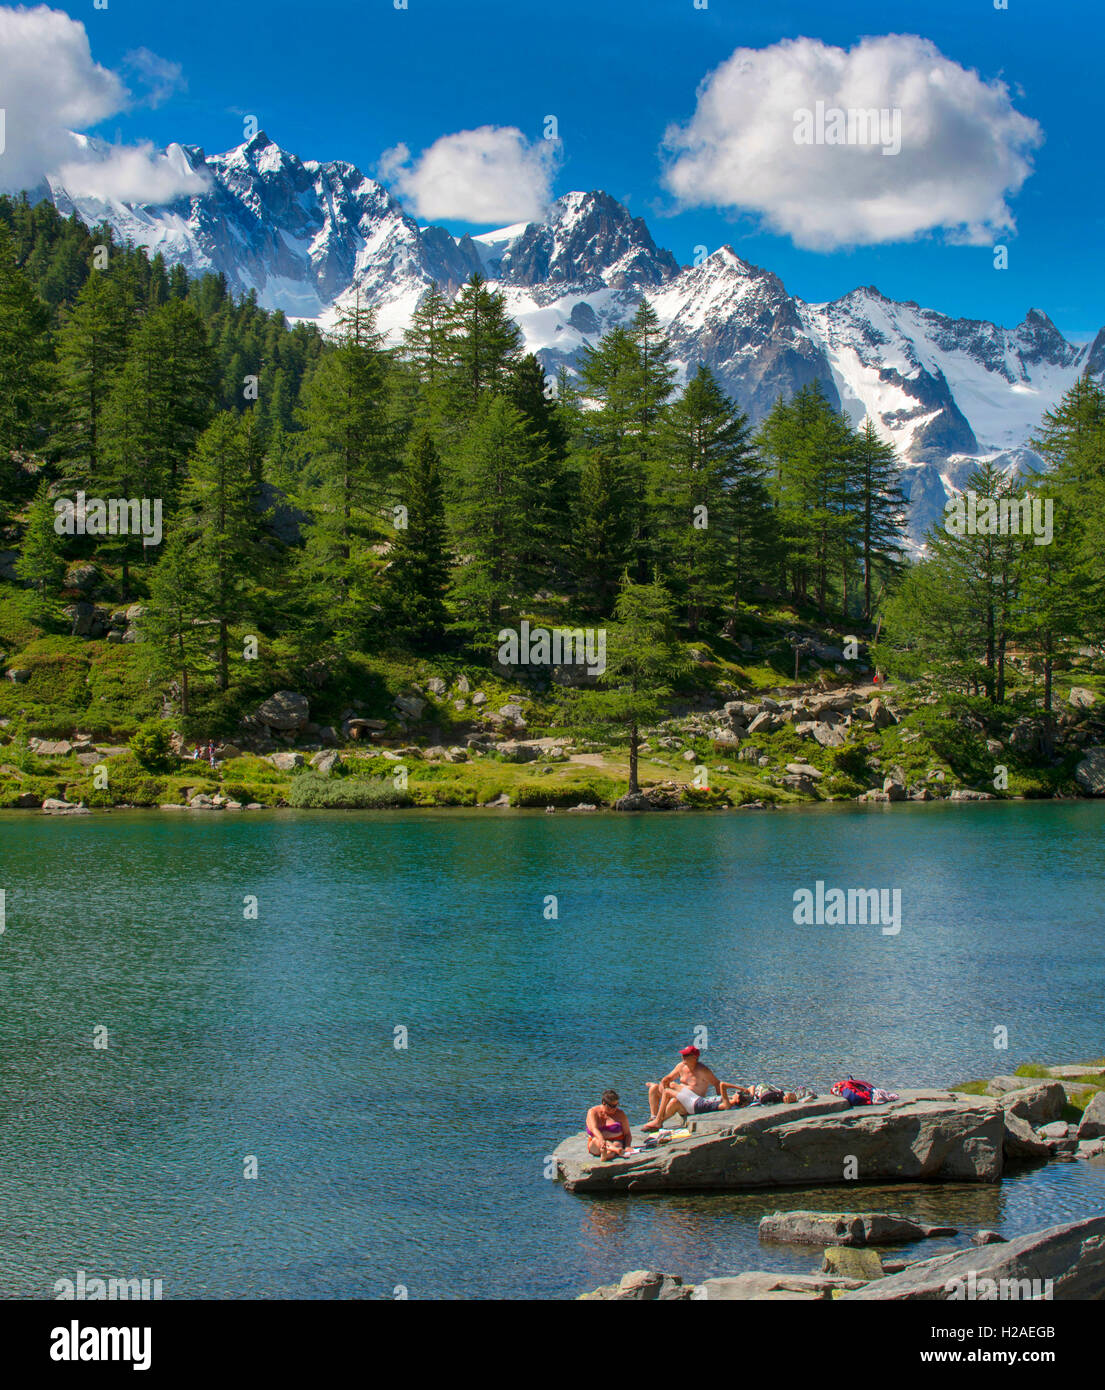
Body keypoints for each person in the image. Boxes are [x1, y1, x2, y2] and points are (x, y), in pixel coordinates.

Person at [643, 1045, 724, 1130]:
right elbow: (668, 1078)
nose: (682, 1057)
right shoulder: (681, 1066)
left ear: (694, 1057)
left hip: (691, 1103)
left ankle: (659, 1122)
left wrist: (721, 1100)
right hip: (679, 1095)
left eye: (685, 1056)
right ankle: (653, 1117)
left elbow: (717, 1084)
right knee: (654, 1088)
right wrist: (664, 1081)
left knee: (674, 1099)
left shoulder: (703, 1070)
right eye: (682, 1055)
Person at [585, 1090, 631, 1161]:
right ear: (604, 1103)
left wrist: (628, 1146)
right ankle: (614, 1150)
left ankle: (606, 1155)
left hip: (616, 1141)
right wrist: (601, 1139)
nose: (614, 1109)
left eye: (616, 1105)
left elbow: (627, 1133)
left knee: (617, 1144)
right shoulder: (593, 1112)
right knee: (596, 1141)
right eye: (611, 1106)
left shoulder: (620, 1114)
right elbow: (594, 1129)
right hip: (597, 1143)